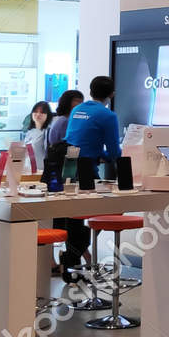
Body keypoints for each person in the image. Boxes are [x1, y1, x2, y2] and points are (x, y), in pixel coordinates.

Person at [57, 77, 121, 274]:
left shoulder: (77, 110)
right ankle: (73, 256)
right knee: (106, 209)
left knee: (72, 216)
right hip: (85, 169)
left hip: (67, 164)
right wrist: (109, 157)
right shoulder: (108, 116)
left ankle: (72, 260)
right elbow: (113, 151)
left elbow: (74, 139)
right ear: (112, 94)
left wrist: (98, 155)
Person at [23, 101, 53, 171]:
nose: (38, 114)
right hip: (28, 169)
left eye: (42, 112)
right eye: (35, 111)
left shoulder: (48, 132)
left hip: (41, 170)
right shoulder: (30, 131)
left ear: (48, 115)